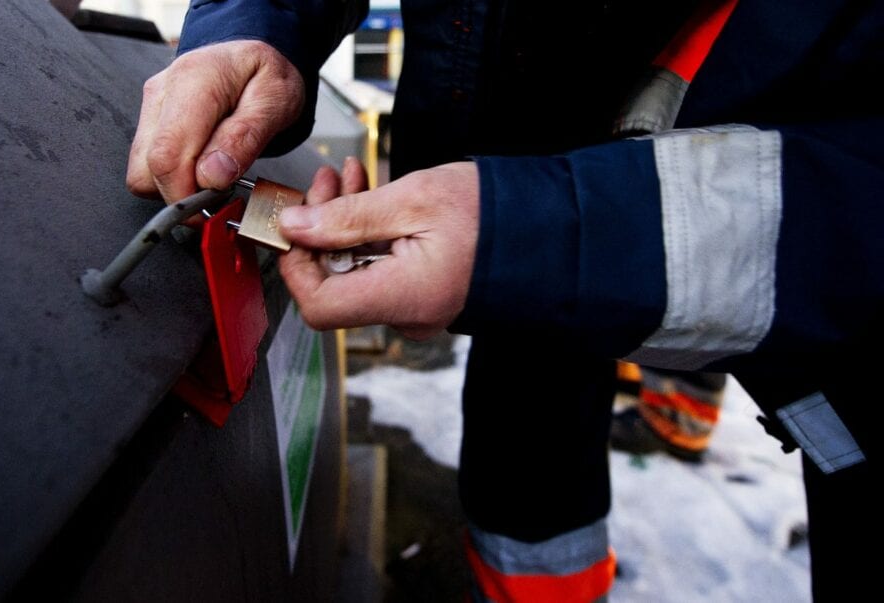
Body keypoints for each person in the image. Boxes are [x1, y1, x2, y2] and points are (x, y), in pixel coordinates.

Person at [126, 0, 882, 600]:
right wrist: (252, 23)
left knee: (536, 424)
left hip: (724, 278)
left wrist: (536, 236)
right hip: (520, 220)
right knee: (522, 430)